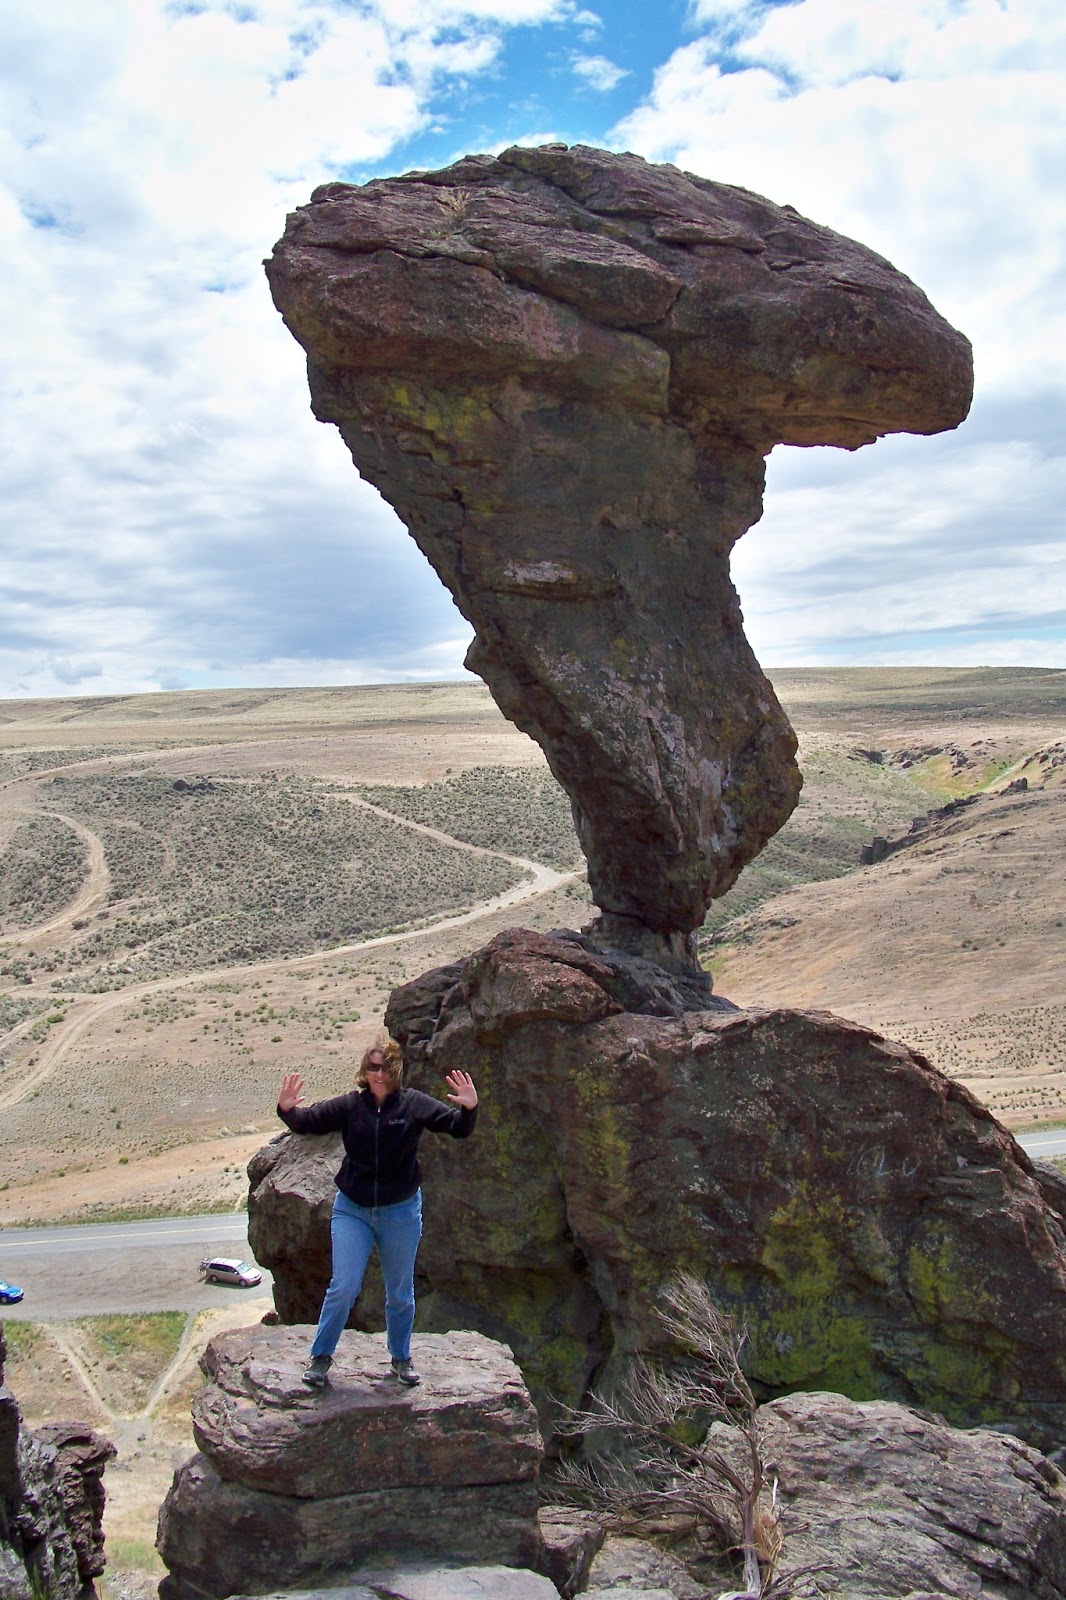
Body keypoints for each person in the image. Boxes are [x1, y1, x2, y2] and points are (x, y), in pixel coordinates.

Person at [276, 1037, 478, 1389]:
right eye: (373, 1067)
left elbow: (456, 1127)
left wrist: (469, 1109)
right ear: (364, 1071)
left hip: (400, 1212)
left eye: (386, 1067)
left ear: (397, 1070)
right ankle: (321, 1357)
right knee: (343, 1286)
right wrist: (287, 1110)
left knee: (400, 1292)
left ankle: (401, 1359)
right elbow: (307, 1121)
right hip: (352, 1209)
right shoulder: (352, 1106)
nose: (379, 1074)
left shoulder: (413, 1104)